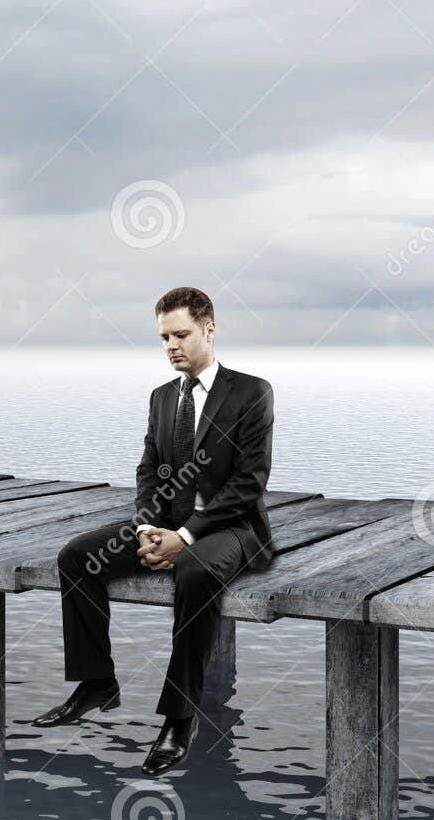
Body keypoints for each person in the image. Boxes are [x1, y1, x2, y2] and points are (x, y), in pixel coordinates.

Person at [33, 285, 275, 776]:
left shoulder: (252, 391)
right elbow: (148, 469)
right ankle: (96, 683)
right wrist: (147, 526)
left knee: (193, 575)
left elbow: (248, 484)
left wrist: (183, 538)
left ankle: (178, 718)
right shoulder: (162, 397)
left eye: (181, 334)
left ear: (209, 328)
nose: (171, 346)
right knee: (76, 556)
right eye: (164, 337)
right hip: (163, 523)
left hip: (230, 527)